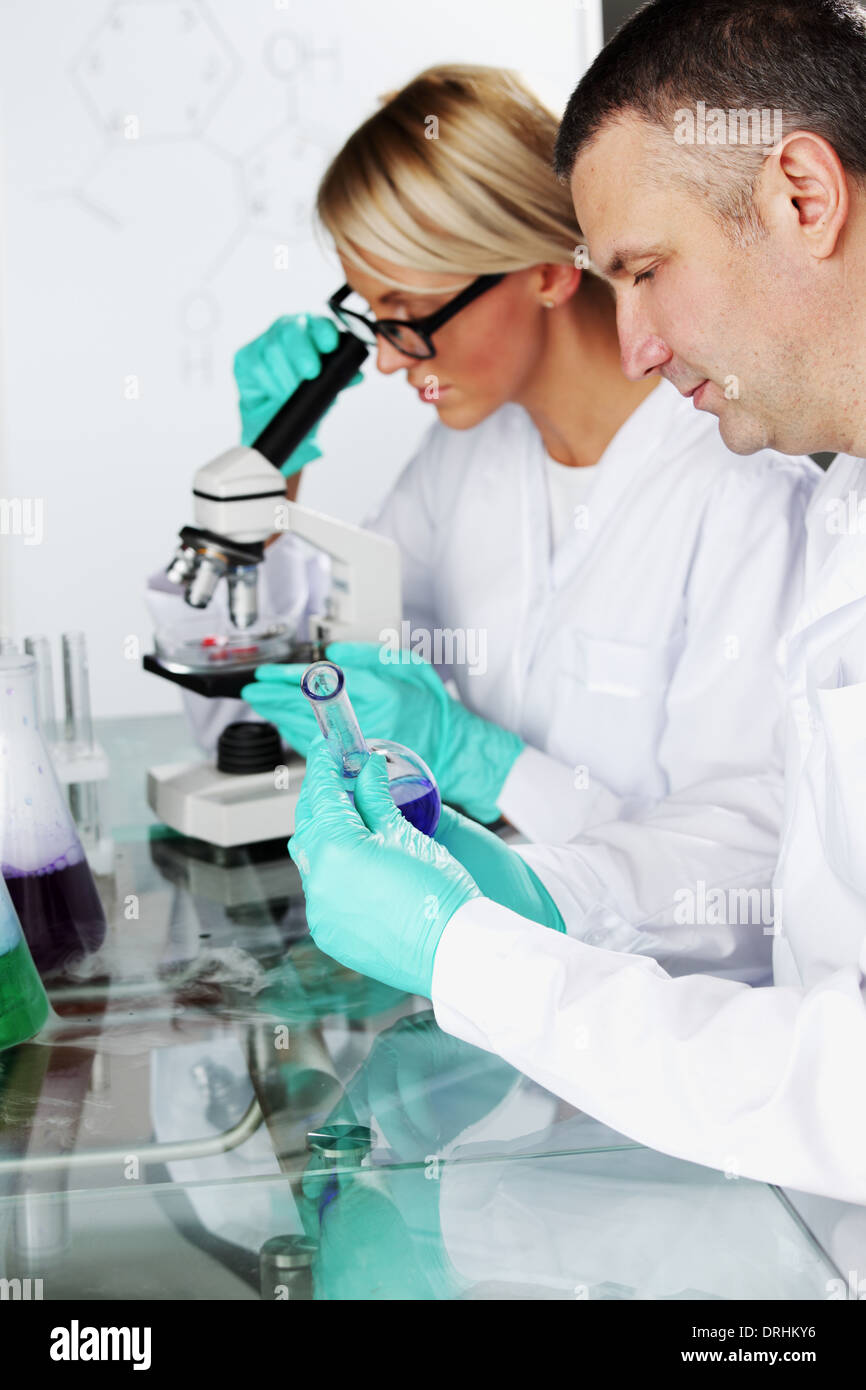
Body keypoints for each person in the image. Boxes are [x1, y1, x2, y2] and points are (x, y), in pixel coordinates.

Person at [287, 0, 866, 1214]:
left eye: (643, 271)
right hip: (695, 1119)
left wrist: (495, 921)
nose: (636, 340)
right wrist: (265, 479)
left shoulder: (752, 471)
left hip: (706, 1090)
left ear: (802, 195)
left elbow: (761, 891)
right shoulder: (836, 499)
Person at [151, 65, 818, 982]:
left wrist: (490, 769)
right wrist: (273, 489)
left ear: (546, 270)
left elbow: (750, 868)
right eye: (368, 315)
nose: (387, 363)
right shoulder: (462, 464)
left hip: (665, 1032)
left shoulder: (743, 481)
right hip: (481, 1006)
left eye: (409, 317)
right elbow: (267, 729)